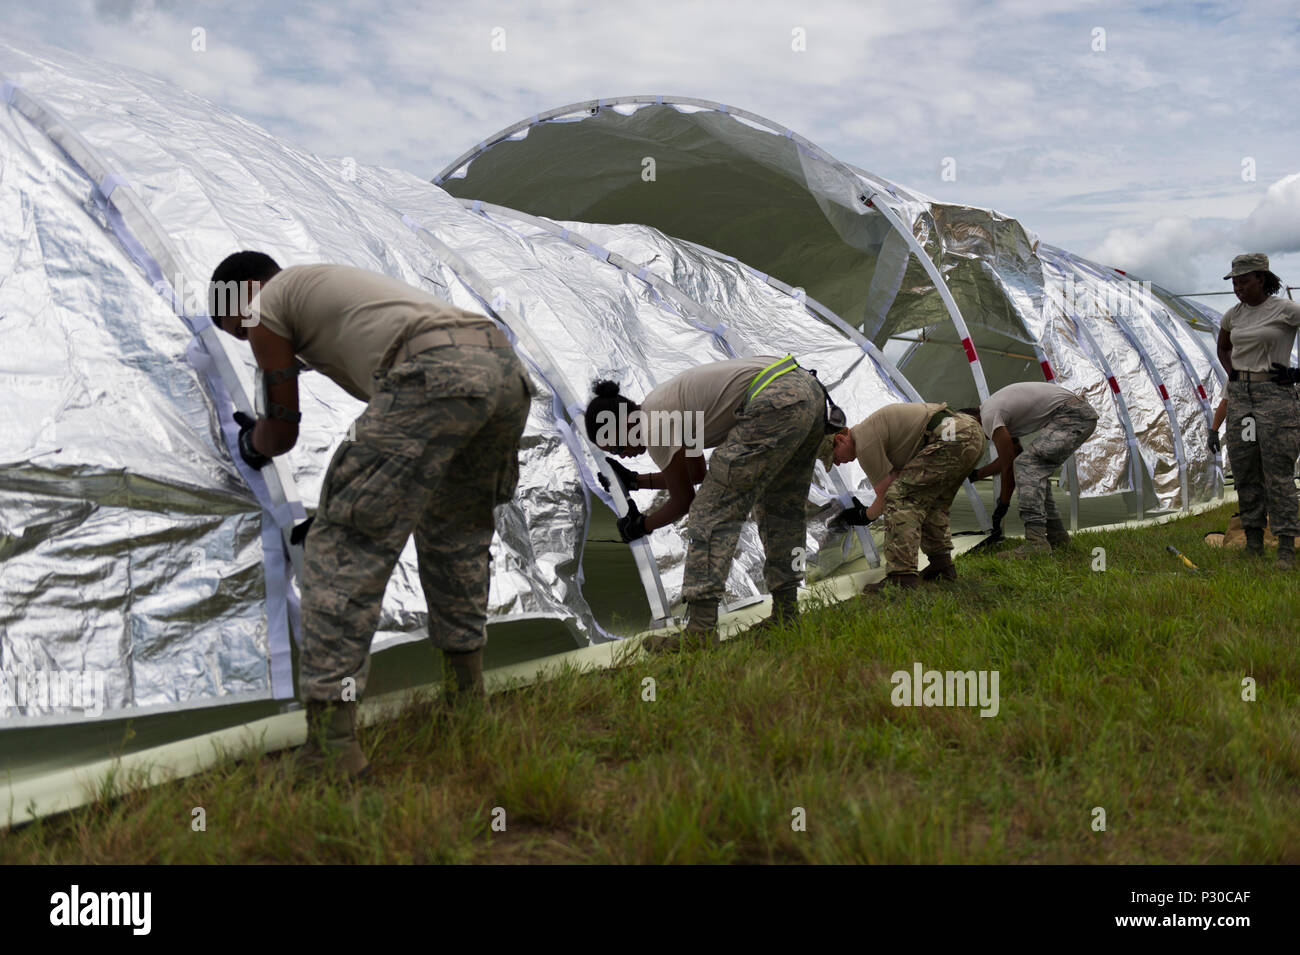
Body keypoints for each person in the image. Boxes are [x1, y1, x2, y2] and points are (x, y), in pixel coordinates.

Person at [208, 252, 531, 777]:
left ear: (242, 291)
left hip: (433, 372)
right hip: (503, 372)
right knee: (455, 542)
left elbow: (281, 431)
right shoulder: (326, 288)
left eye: (237, 329)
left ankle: (332, 750)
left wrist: (249, 442)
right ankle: (468, 704)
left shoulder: (265, 304)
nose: (247, 339)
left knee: (341, 550)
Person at [585, 355, 828, 649]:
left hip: (773, 402)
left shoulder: (652, 423)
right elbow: (697, 474)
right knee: (780, 509)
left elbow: (686, 500)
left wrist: (642, 525)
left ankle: (699, 633)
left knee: (708, 513)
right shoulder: (662, 406)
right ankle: (787, 615)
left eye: (619, 446)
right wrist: (637, 481)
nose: (624, 454)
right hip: (807, 393)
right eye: (616, 453)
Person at [830, 402, 985, 590]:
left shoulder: (864, 441)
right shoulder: (871, 432)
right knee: (930, 502)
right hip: (968, 433)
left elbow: (888, 494)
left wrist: (865, 516)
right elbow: (899, 477)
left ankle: (902, 578)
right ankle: (942, 566)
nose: (837, 464)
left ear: (840, 439)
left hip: (951, 436)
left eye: (833, 457)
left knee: (900, 498)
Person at [1216, 252, 1300, 569]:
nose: (1238, 288)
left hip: (1275, 397)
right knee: (1245, 469)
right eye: (1234, 282)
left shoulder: (1285, 310)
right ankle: (1253, 541)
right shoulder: (1233, 315)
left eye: (1244, 281)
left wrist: (1296, 374)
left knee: (1277, 473)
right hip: (1241, 398)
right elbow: (1224, 346)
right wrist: (1232, 373)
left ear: (1261, 278)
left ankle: (1286, 548)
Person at [962, 382, 1098, 558]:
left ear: (973, 420)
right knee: (1034, 468)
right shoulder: (996, 410)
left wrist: (1003, 504)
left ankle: (1036, 544)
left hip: (1072, 415)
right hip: (1076, 413)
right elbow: (1012, 456)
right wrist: (977, 475)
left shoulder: (988, 417)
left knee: (1028, 465)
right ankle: (1056, 535)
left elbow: (1010, 467)